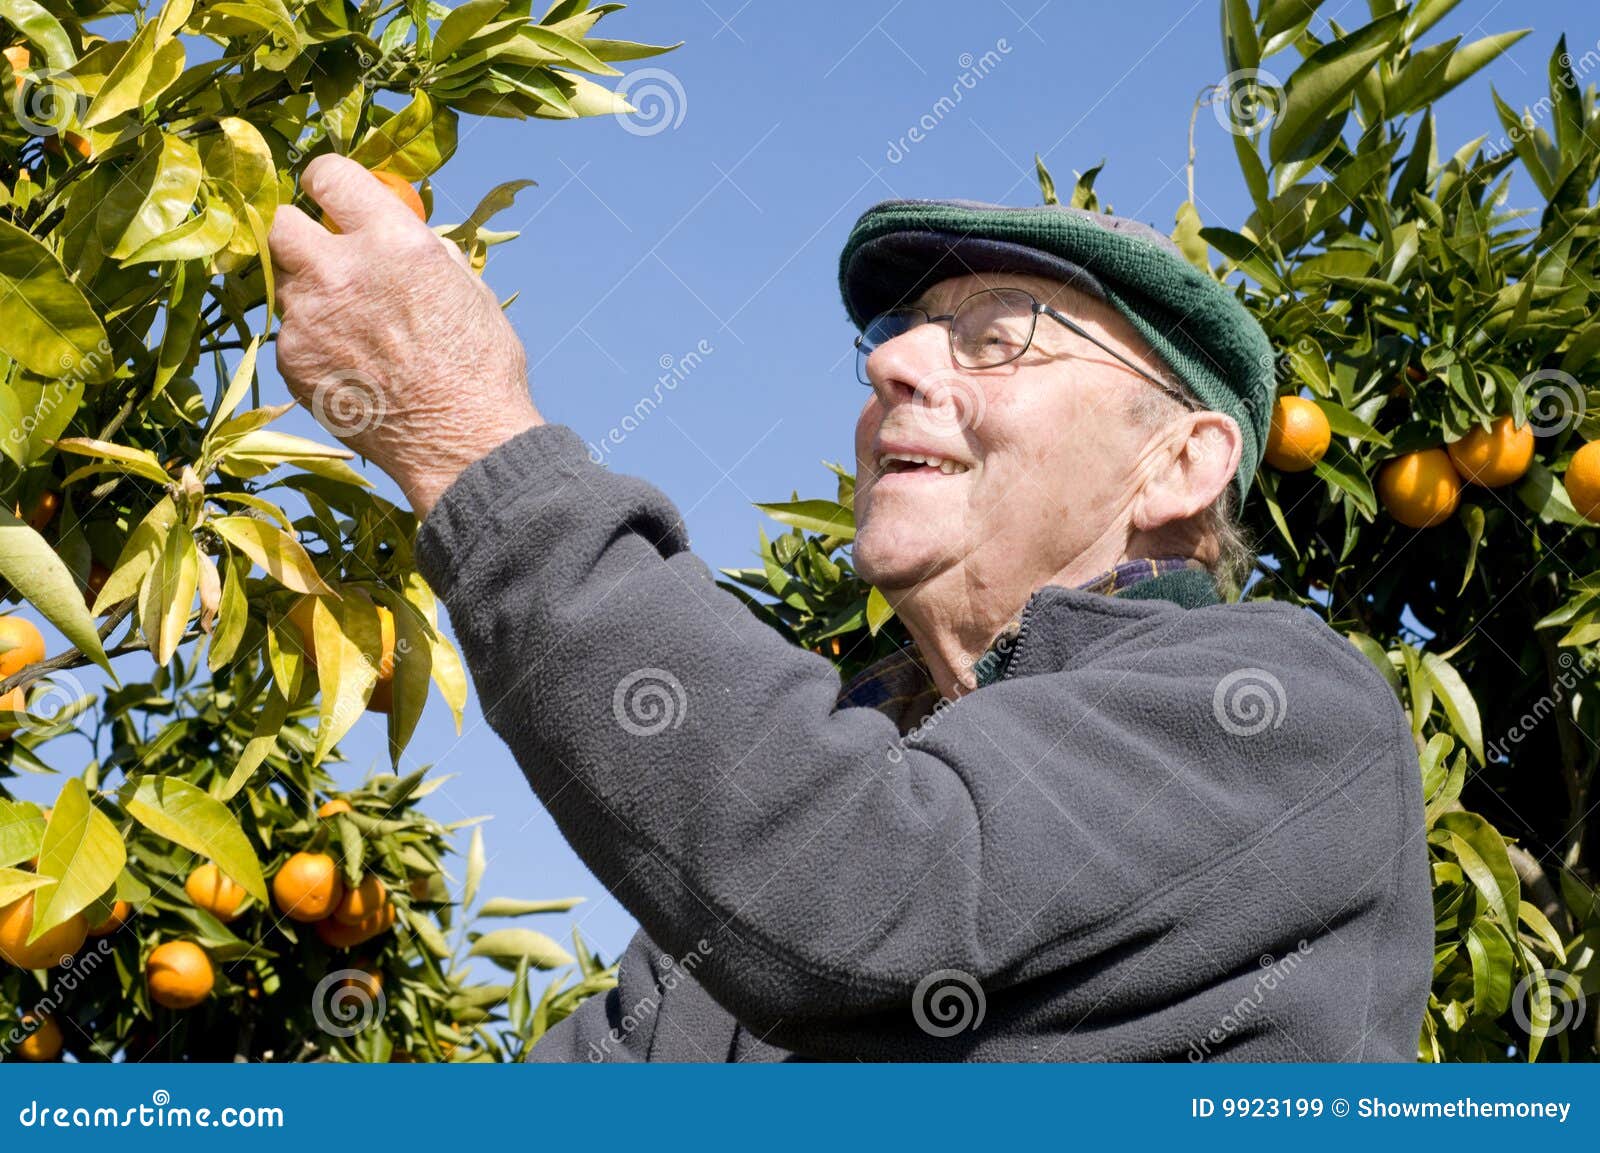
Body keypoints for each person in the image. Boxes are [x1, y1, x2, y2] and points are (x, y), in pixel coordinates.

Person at [269, 155, 1432, 1061]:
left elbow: (870, 887)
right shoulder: (824, 806)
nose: (892, 365)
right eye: (897, 335)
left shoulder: (1279, 708)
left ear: (1179, 462)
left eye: (997, 335)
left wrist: (470, 438)